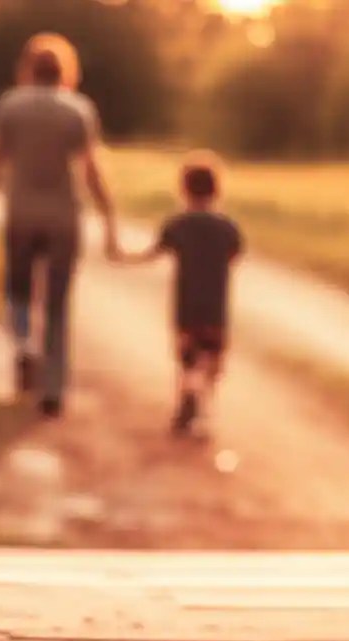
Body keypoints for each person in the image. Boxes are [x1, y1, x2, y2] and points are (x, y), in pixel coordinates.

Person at [0, 33, 118, 418]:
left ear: (28, 69)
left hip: (21, 214)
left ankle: (23, 346)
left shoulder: (9, 107)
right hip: (63, 217)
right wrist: (108, 216)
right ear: (65, 72)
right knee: (56, 303)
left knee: (17, 291)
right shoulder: (78, 111)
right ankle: (52, 390)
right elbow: (91, 171)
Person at [111, 151, 243, 437]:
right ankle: (203, 409)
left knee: (187, 358)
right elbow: (235, 256)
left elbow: (152, 254)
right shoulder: (228, 227)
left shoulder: (177, 224)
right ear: (217, 189)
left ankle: (189, 394)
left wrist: (122, 255)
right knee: (213, 360)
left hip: (186, 306)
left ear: (183, 189)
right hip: (216, 307)